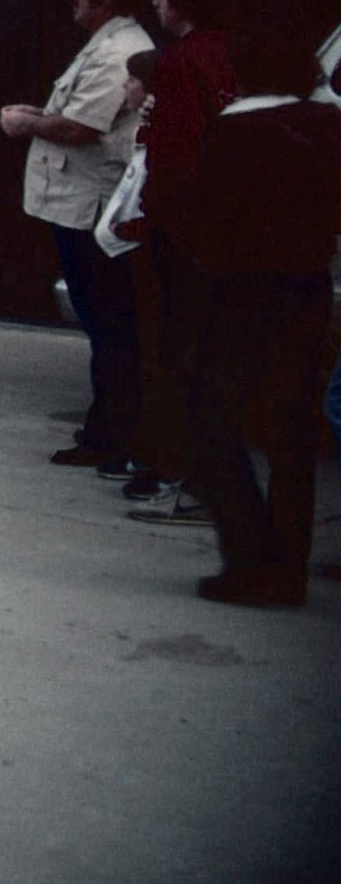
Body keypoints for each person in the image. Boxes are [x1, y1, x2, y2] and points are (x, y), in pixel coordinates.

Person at [143, 32, 341, 606]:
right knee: (293, 429)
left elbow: (192, 212)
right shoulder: (328, 126)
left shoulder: (235, 133)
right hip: (307, 285)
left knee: (211, 423)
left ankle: (252, 561)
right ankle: (288, 566)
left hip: (240, 291)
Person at [2, 0, 155, 467]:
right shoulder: (106, 44)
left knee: (110, 326)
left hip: (91, 210)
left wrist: (26, 122)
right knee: (106, 327)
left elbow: (81, 127)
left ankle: (117, 436)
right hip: (80, 205)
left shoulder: (117, 53)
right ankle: (109, 430)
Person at [119, 0, 239, 501]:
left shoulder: (180, 62)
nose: (158, 8)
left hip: (181, 225)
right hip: (224, 225)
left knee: (173, 352)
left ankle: (174, 465)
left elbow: (170, 155)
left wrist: (149, 211)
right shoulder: (226, 57)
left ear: (179, 5)